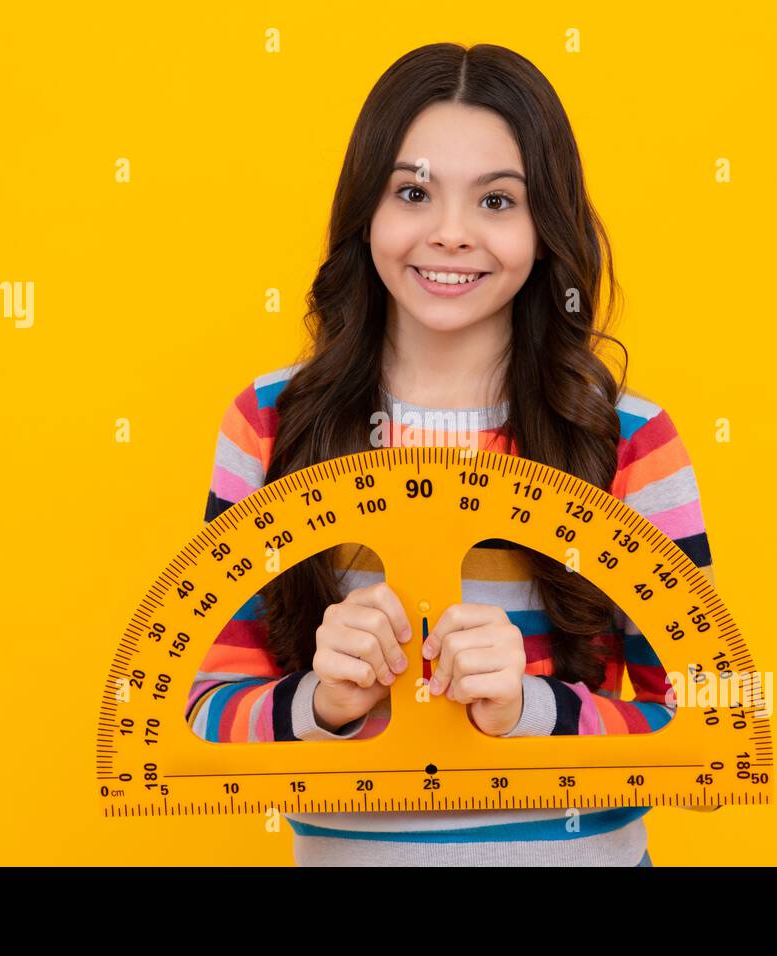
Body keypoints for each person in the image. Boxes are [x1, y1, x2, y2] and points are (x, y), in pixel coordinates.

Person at [185, 42, 719, 866]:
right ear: (367, 212)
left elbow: (703, 724)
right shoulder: (269, 421)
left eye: (498, 201)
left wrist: (530, 708)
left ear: (547, 230)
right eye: (413, 192)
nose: (450, 235)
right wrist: (321, 704)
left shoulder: (628, 437)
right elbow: (198, 712)